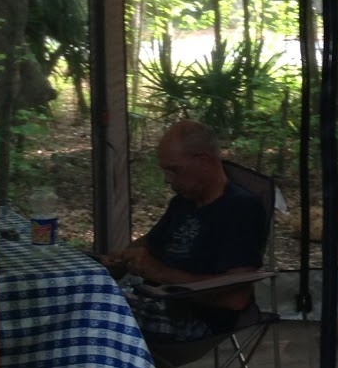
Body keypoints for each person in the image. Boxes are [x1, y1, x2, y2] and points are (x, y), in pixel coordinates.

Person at [101, 119, 267, 340]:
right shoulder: (183, 203)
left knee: (88, 309)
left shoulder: (239, 209)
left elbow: (235, 299)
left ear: (203, 160)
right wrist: (123, 259)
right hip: (151, 298)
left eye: (173, 170)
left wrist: (159, 273)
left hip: (191, 321)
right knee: (71, 296)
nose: (167, 180)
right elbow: (149, 243)